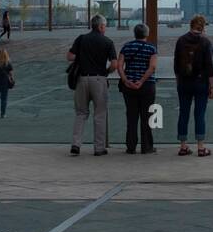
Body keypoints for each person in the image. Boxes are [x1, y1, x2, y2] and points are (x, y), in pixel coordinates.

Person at [67, 13, 116, 156]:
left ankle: (76, 144)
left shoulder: (81, 39)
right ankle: (99, 148)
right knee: (99, 114)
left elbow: (69, 56)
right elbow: (114, 64)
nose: (105, 28)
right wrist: (106, 72)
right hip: (99, 80)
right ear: (101, 26)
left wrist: (82, 57)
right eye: (105, 26)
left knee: (81, 113)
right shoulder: (108, 42)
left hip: (82, 80)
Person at [175, 14, 213, 157]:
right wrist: (211, 86)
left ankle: (183, 146)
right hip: (201, 83)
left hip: (184, 83)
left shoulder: (180, 40)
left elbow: (176, 64)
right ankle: (200, 147)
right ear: (203, 27)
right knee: (199, 114)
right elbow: (209, 66)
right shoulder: (205, 42)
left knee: (183, 113)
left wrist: (178, 81)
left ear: (190, 25)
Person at [117, 23, 159, 154]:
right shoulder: (151, 48)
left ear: (135, 33)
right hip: (147, 86)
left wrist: (126, 80)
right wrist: (141, 81)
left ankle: (131, 146)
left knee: (131, 116)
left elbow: (119, 66)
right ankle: (147, 147)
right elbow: (152, 67)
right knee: (147, 117)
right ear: (146, 34)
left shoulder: (126, 47)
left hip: (129, 86)